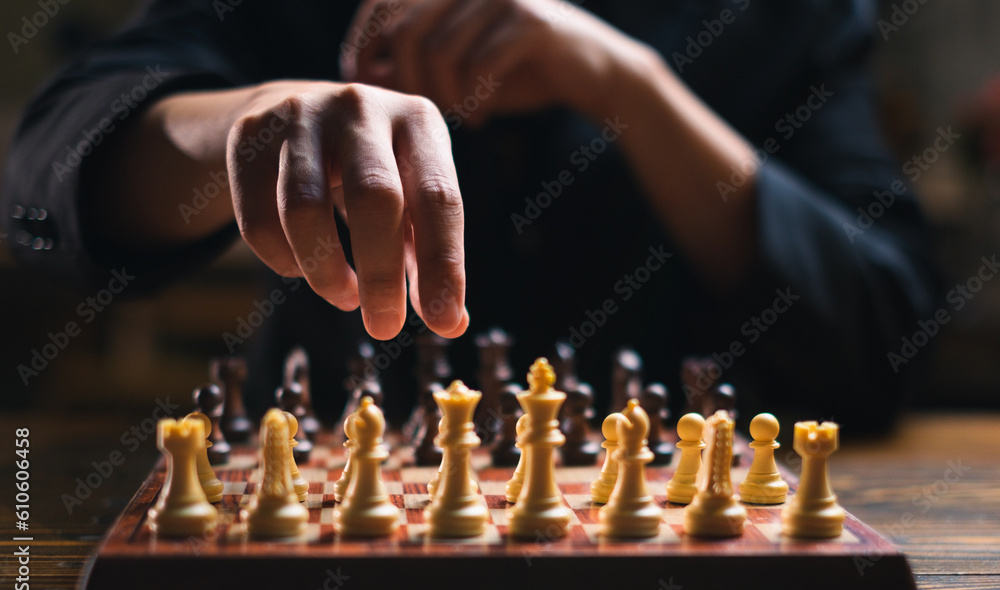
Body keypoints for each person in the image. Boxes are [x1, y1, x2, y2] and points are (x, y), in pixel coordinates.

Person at [1, 0, 941, 431]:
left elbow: (884, 336)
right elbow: (40, 185)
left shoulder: (793, 17)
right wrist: (241, 124)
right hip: (322, 553)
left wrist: (632, 86)